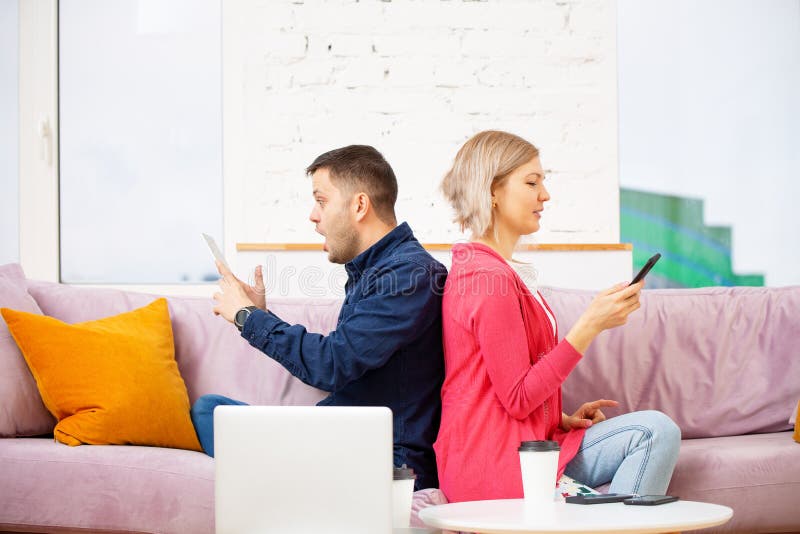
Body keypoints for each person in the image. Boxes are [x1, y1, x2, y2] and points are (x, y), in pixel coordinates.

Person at [434, 130, 680, 503]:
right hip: (499, 465)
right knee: (654, 433)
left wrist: (556, 417)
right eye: (532, 182)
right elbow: (517, 397)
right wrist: (589, 325)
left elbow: (503, 383)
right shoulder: (487, 278)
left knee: (653, 431)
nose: (544, 195)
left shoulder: (497, 270)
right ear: (493, 192)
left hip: (530, 447)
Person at [194, 145, 447, 490]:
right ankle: (280, 481)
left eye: (322, 201)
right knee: (212, 410)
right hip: (342, 437)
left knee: (214, 417)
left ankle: (278, 484)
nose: (313, 215)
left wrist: (247, 317)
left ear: (359, 205)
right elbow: (341, 368)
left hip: (379, 455)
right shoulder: (376, 272)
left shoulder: (408, 276)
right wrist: (262, 315)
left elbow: (332, 364)